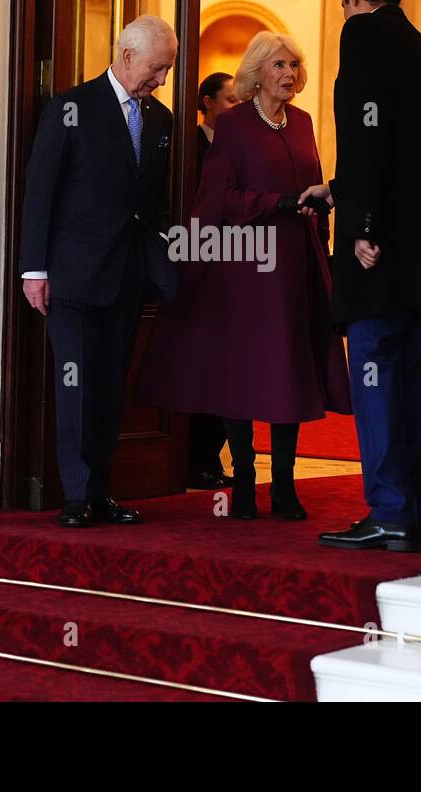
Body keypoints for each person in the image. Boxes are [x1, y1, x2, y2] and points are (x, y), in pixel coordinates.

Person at [139, 32, 351, 520]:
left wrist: (320, 217)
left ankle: (283, 485)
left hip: (295, 264)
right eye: (280, 65)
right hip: (247, 265)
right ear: (258, 72)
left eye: (295, 65)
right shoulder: (234, 125)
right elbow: (218, 198)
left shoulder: (302, 122)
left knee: (288, 373)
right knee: (243, 374)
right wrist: (276, 202)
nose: (290, 74)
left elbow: (311, 187)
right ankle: (244, 484)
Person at [302, 0, 421, 554]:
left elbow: (365, 134)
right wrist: (341, 188)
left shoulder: (363, 32)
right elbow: (407, 152)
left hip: (378, 249)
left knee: (373, 371)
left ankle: (388, 510)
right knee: (411, 376)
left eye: (344, 1)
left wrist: (361, 222)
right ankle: (408, 510)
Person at [20, 15, 179, 528]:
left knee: (111, 386)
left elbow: (155, 202)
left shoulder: (161, 119)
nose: (162, 79)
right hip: (71, 275)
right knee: (76, 384)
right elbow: (40, 191)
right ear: (127, 55)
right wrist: (34, 270)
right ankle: (77, 495)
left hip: (129, 274)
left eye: (168, 70)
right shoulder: (71, 107)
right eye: (157, 67)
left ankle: (102, 492)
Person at [186, 72, 240, 490]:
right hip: (198, 263)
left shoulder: (241, 146)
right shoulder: (189, 146)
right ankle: (195, 459)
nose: (236, 109)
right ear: (206, 103)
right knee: (199, 367)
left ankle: (211, 457)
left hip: (237, 264)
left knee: (229, 370)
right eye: (229, 101)